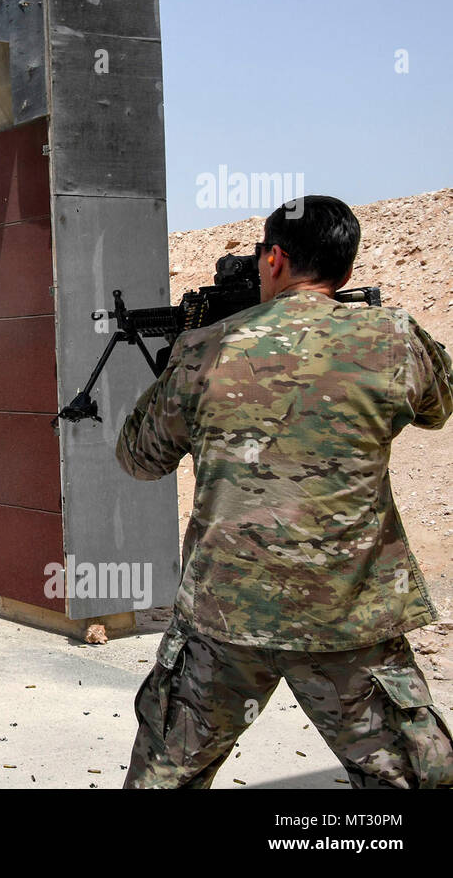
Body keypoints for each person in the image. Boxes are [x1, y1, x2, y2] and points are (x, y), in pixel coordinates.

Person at [116, 194, 453, 788]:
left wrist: (179, 364)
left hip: (225, 619)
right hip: (347, 620)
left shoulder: (204, 351)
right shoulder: (393, 338)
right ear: (346, 269)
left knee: (164, 780)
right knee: (415, 778)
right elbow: (437, 406)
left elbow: (140, 458)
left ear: (273, 258)